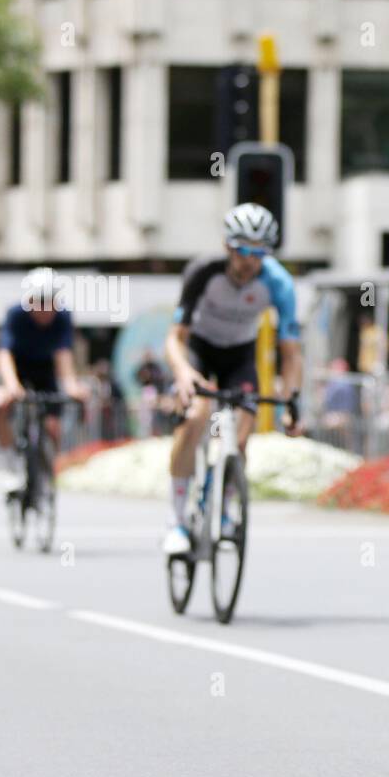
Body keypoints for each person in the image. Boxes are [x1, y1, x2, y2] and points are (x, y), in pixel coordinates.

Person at [163, 204, 303, 554]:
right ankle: (177, 521)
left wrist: (292, 400)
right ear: (227, 246)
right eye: (242, 249)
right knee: (196, 416)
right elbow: (174, 337)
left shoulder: (278, 284)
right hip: (199, 350)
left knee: (240, 438)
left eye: (259, 252)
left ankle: (225, 509)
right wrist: (184, 373)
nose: (249, 260)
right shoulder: (203, 271)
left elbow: (290, 353)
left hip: (240, 355)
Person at [0, 270, 89, 488]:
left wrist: (71, 385)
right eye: (40, 302)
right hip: (17, 367)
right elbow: (4, 353)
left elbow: (64, 355)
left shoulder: (63, 317)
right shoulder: (16, 315)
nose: (46, 309)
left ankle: (48, 469)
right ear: (29, 301)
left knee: (52, 425)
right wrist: (12, 386)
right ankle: (11, 463)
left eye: (51, 302)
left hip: (45, 369)